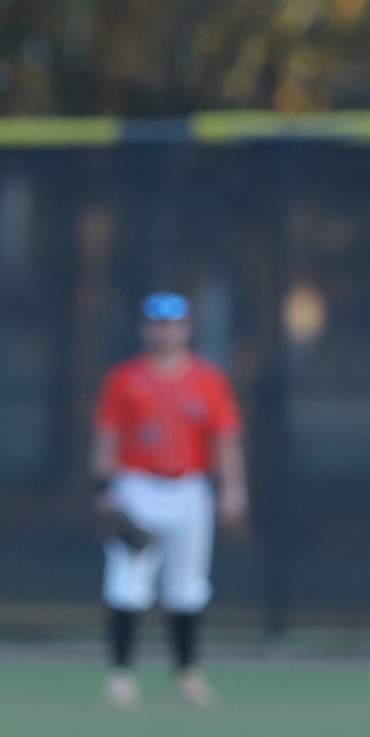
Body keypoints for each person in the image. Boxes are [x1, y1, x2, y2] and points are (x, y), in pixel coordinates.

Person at [90, 291, 248, 709]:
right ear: (145, 328)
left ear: (187, 328)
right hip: (136, 487)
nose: (165, 331)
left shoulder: (208, 379)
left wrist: (233, 488)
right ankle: (121, 677)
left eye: (173, 323)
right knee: (127, 584)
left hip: (190, 489)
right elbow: (107, 437)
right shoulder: (124, 378)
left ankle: (187, 676)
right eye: (157, 323)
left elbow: (225, 439)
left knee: (188, 587)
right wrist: (103, 490)